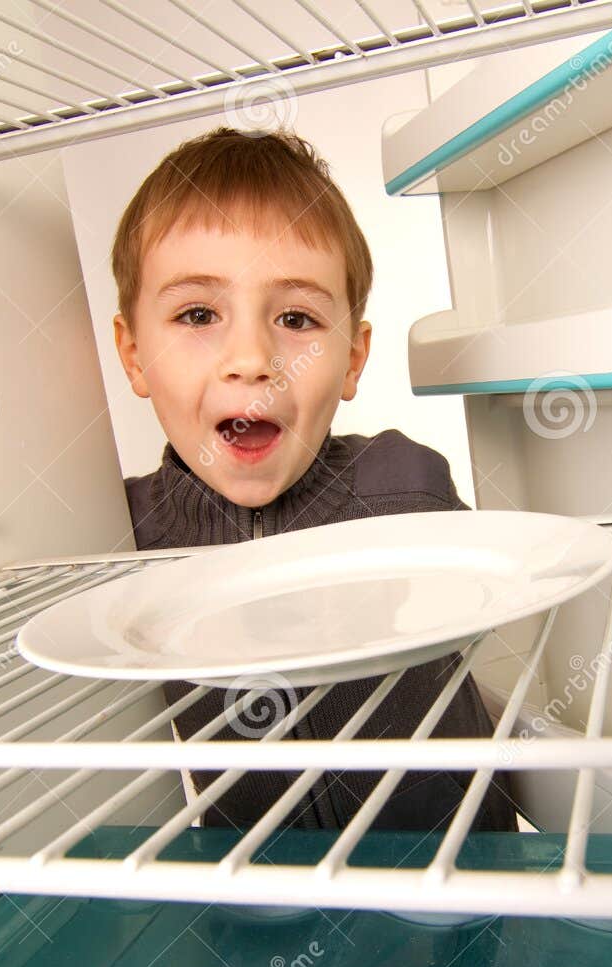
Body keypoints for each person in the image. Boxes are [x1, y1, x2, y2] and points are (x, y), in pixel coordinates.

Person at [110, 125, 517, 835]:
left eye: (296, 318)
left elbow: (495, 640)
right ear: (134, 353)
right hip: (264, 905)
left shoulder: (406, 482)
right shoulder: (118, 529)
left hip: (461, 884)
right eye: (199, 313)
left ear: (353, 357)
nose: (252, 358)